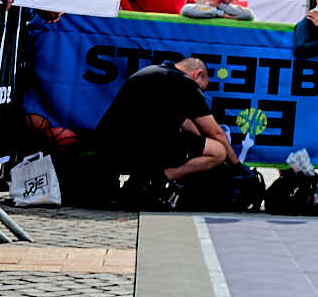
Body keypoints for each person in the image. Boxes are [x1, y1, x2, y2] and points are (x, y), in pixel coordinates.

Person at [91, 56, 239, 206]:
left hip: (107, 147)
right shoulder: (185, 83)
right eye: (202, 88)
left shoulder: (151, 72)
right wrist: (236, 165)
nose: (201, 93)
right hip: (139, 149)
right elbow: (216, 133)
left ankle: (140, 180)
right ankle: (154, 180)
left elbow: (186, 123)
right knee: (218, 151)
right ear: (198, 74)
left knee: (174, 141)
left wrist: (199, 145)